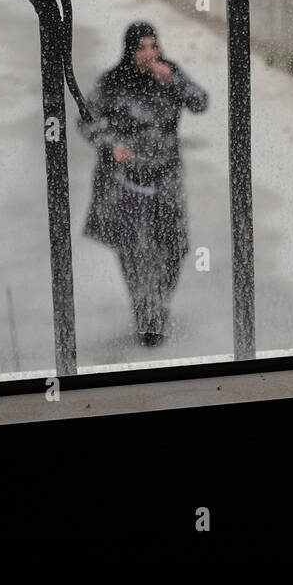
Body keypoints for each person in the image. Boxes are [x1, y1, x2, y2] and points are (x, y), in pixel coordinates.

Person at [78, 22, 208, 345]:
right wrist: (111, 144)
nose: (150, 54)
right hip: (129, 180)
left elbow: (201, 102)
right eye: (142, 48)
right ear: (130, 52)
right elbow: (86, 118)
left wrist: (174, 81)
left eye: (154, 47)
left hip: (166, 176)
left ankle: (160, 302)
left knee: (174, 245)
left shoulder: (170, 74)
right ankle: (145, 312)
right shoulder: (113, 82)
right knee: (135, 250)